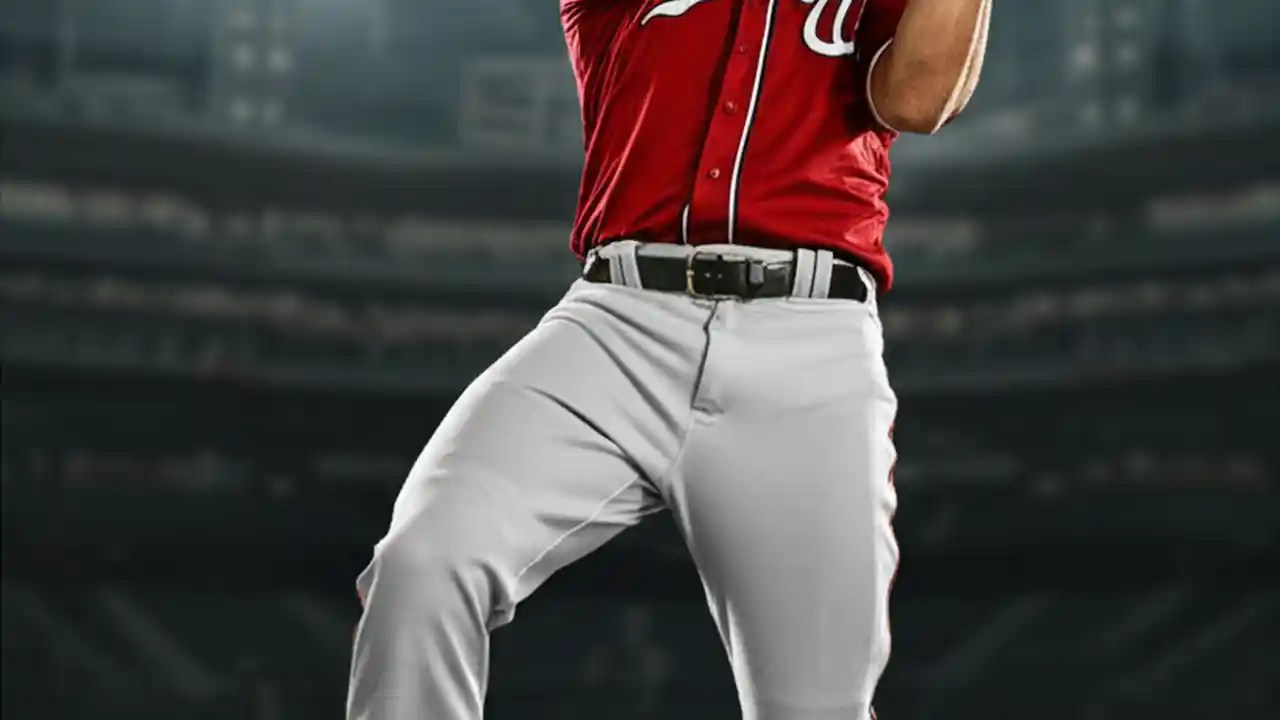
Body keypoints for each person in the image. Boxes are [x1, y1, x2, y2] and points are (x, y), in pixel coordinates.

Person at [347, 1, 992, 718]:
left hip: (813, 335)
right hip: (619, 319)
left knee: (817, 707)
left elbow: (914, 98)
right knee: (423, 563)